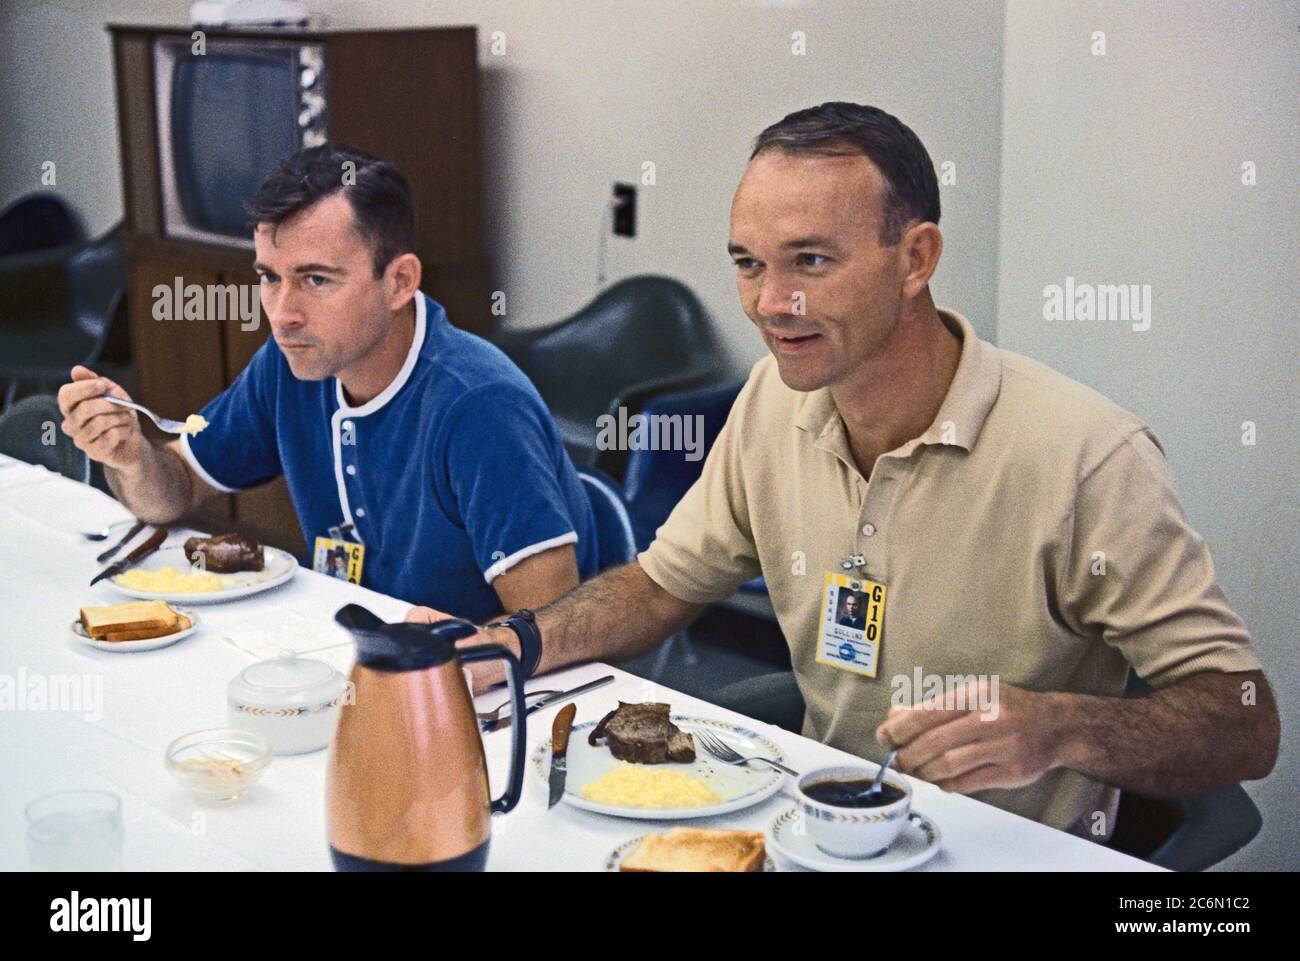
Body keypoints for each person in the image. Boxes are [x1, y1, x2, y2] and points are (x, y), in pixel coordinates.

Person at [409, 102, 1279, 841]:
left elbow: (1245, 720)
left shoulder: (1087, 456)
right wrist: (521, 642)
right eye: (748, 263)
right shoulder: (772, 401)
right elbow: (662, 585)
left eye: (810, 262)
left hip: (1000, 850)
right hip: (820, 833)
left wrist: (1061, 727)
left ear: (916, 258)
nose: (768, 303)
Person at [59, 144, 600, 622]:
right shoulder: (291, 364)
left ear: (399, 282)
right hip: (354, 658)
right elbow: (174, 491)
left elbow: (548, 630)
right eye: (270, 277)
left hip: (473, 697)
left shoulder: (479, 407)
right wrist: (130, 456)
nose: (283, 313)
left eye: (316, 280)